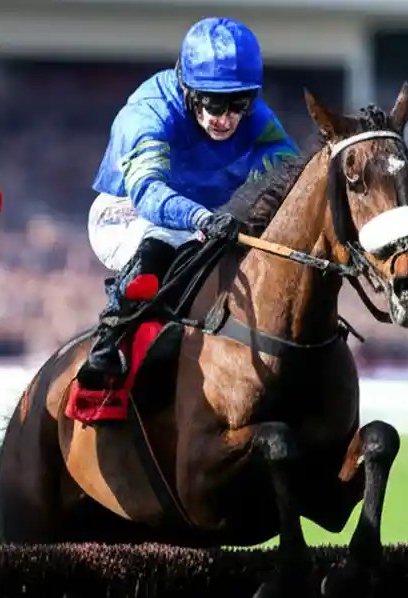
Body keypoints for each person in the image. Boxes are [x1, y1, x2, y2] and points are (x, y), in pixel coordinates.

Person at [79, 16, 300, 388]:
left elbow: (290, 165)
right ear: (190, 91)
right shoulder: (150, 112)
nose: (225, 119)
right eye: (214, 104)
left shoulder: (254, 116)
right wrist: (201, 217)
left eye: (238, 104)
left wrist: (248, 196)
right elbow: (148, 191)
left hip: (208, 214)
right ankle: (109, 340)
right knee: (162, 239)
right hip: (128, 210)